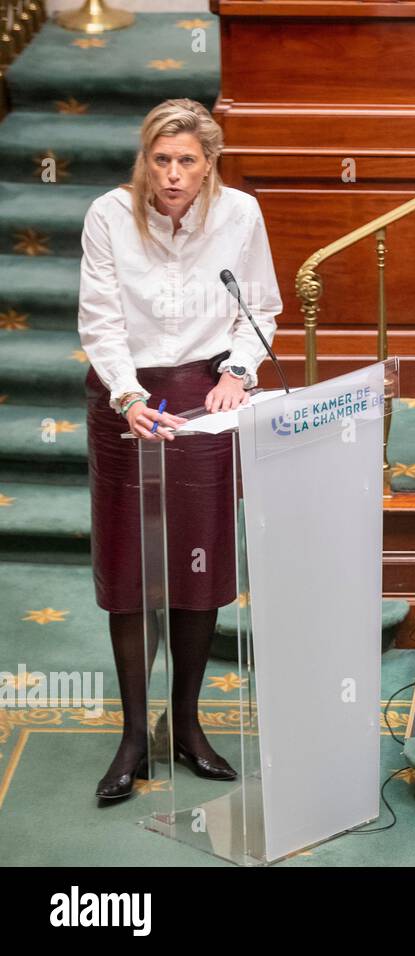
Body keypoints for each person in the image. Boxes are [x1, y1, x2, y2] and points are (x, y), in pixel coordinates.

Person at [78, 99, 282, 801]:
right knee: (131, 567)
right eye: (160, 159)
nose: (171, 175)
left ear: (208, 163)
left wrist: (237, 372)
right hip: (124, 399)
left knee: (198, 561)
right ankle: (135, 737)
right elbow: (100, 318)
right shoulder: (108, 214)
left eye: (186, 161)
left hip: (204, 397)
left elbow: (260, 309)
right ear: (146, 158)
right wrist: (130, 397)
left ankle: (187, 726)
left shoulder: (241, 216)